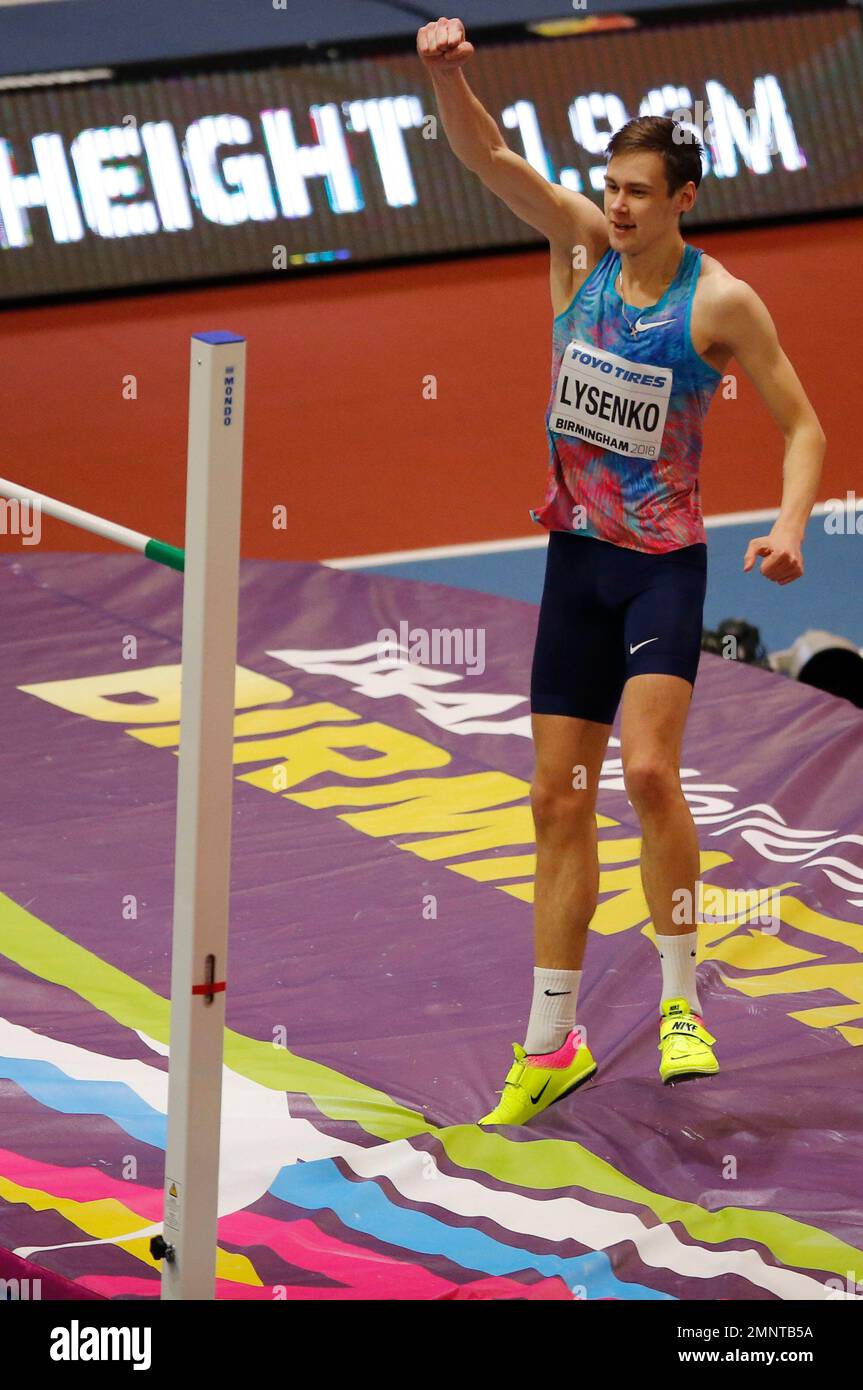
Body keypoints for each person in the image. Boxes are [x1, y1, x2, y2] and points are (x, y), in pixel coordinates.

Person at [417, 17, 826, 1124]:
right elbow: (486, 157)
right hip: (573, 562)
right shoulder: (579, 248)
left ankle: (681, 998)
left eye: (639, 190)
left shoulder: (718, 301)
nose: (618, 204)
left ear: (681, 198)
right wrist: (443, 77)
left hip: (660, 569)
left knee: (645, 773)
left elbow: (802, 428)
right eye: (611, 186)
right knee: (555, 799)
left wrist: (789, 528)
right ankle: (551, 1042)